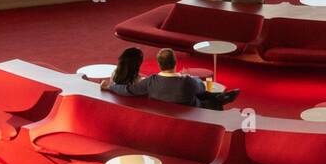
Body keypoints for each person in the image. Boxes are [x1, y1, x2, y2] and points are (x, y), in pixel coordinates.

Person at [100, 47, 239, 109]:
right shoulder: (186, 80)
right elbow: (200, 86)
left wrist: (111, 86)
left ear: (159, 64)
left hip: (168, 102)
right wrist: (189, 77)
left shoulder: (150, 81)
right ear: (175, 63)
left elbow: (128, 90)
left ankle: (218, 97)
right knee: (203, 95)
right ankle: (218, 99)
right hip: (191, 108)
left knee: (194, 91)